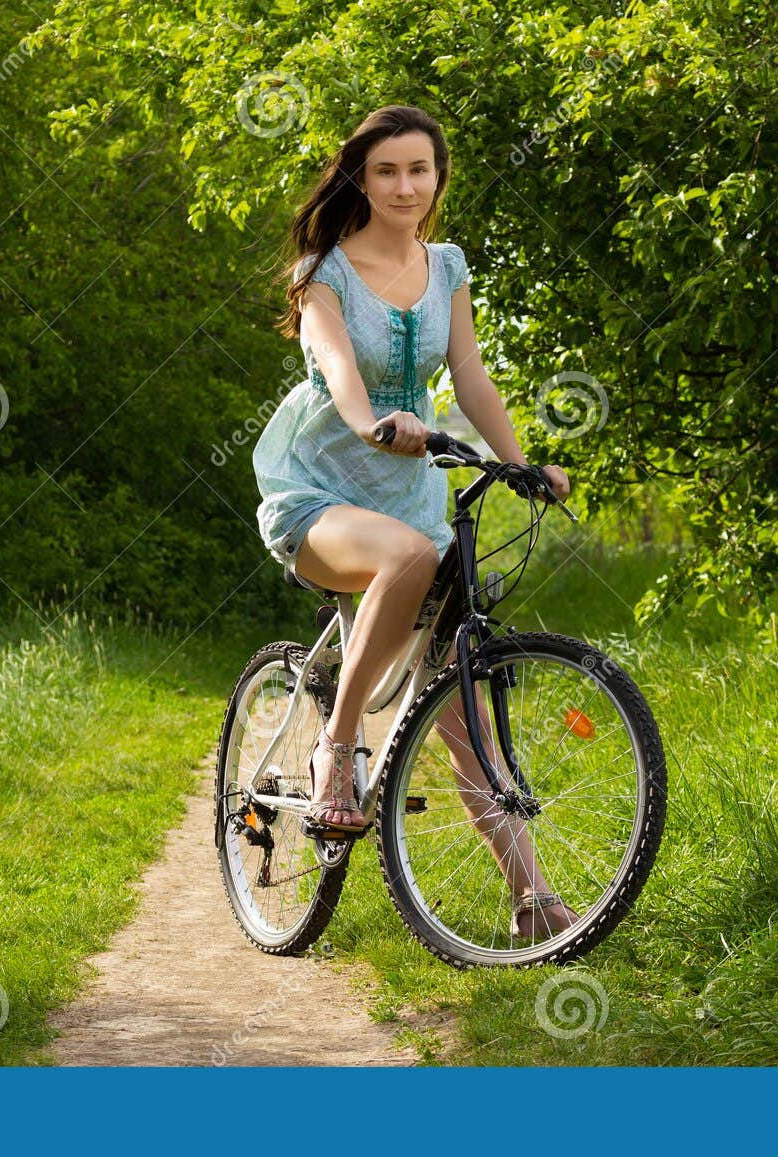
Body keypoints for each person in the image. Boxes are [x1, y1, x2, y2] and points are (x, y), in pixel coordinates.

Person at [253, 105, 578, 941]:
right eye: (388, 170)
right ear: (361, 176)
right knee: (401, 557)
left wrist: (522, 462)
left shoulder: (448, 267)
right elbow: (334, 364)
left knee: (459, 700)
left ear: (438, 179)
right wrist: (369, 423)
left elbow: (468, 376)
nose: (405, 186)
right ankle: (334, 747)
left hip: (413, 492)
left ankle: (531, 896)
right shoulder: (321, 269)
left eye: (420, 171)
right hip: (320, 491)